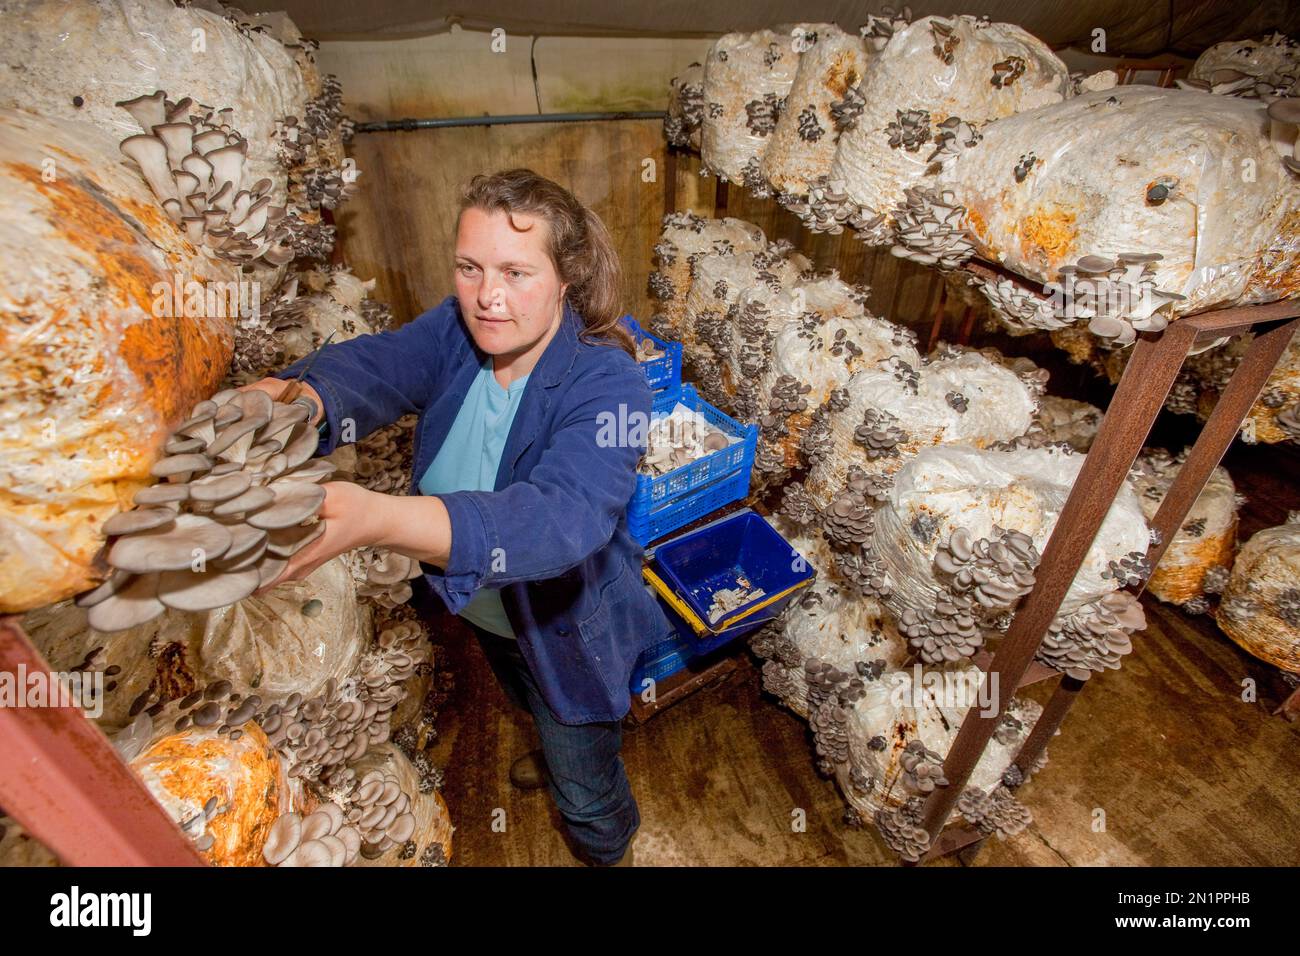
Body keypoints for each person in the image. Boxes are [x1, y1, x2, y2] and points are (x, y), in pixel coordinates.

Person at [241, 168, 674, 867]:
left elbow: (562, 518)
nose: (487, 296)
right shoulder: (455, 331)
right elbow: (377, 366)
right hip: (489, 611)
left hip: (566, 626)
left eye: (515, 271)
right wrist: (304, 401)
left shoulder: (608, 380)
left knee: (583, 767)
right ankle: (558, 747)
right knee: (525, 693)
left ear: (567, 278)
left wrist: (375, 517)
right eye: (470, 267)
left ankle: (602, 835)